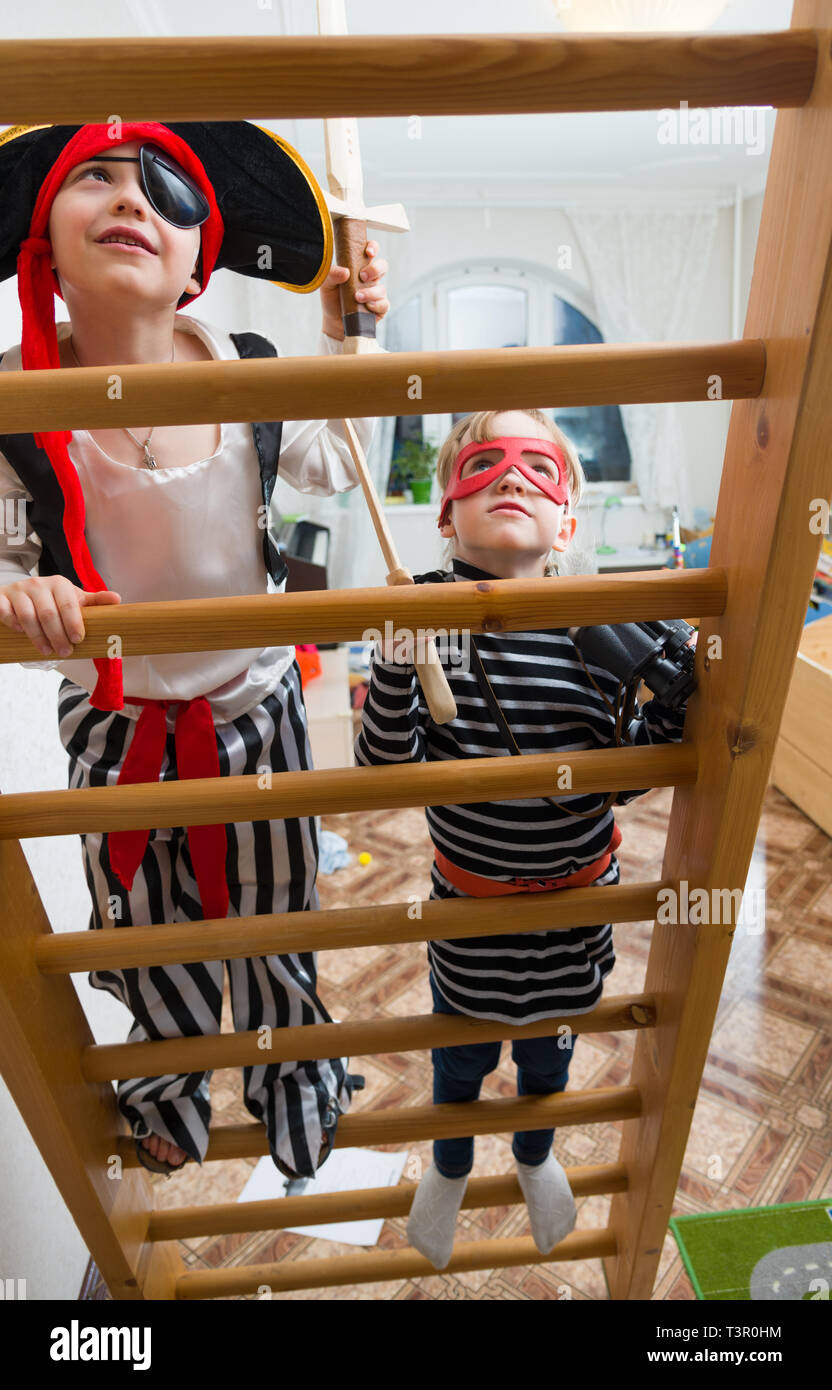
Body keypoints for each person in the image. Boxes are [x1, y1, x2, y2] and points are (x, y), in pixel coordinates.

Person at [0, 120, 390, 1179]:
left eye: (163, 189)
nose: (131, 200)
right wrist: (17, 586)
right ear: (42, 240)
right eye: (97, 180)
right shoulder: (11, 399)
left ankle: (291, 1071)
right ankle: (163, 1082)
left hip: (252, 708)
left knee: (277, 913)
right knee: (141, 927)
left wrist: (356, 345)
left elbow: (339, 463)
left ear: (199, 255)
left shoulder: (246, 370)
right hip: (112, 725)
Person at [354, 407, 697, 1269]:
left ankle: (538, 1156)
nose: (510, 479)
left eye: (538, 467)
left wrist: (676, 716)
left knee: (551, 1053)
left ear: (567, 520)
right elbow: (383, 764)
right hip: (470, 913)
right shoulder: (426, 618)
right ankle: (450, 1167)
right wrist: (396, 664)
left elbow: (620, 773)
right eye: (483, 465)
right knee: (460, 1058)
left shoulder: (600, 633)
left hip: (578, 910)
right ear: (446, 517)